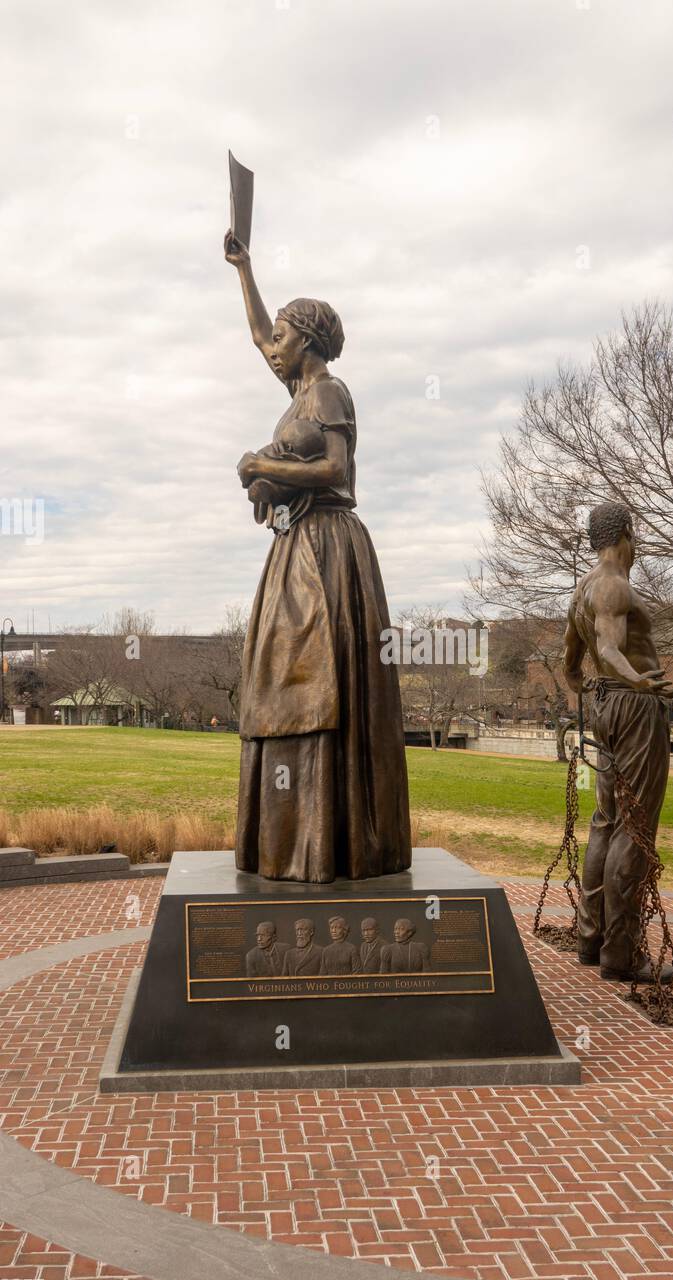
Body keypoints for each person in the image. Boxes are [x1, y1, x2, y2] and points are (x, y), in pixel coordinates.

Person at [225, 231, 411, 883]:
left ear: (305, 339)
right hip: (293, 545)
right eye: (271, 338)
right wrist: (244, 270)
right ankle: (292, 837)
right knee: (282, 681)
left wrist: (266, 462)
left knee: (329, 684)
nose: (271, 348)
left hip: (332, 550)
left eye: (281, 337)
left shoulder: (329, 392)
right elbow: (255, 336)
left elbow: (337, 467)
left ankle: (337, 842)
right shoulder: (295, 397)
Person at [563, 502, 673, 983]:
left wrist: (593, 695)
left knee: (606, 821)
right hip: (633, 707)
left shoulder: (582, 589)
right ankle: (623, 954)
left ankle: (591, 940)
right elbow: (610, 649)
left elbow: (570, 661)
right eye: (636, 536)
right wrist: (640, 684)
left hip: (606, 706)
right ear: (627, 534)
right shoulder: (613, 585)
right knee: (633, 825)